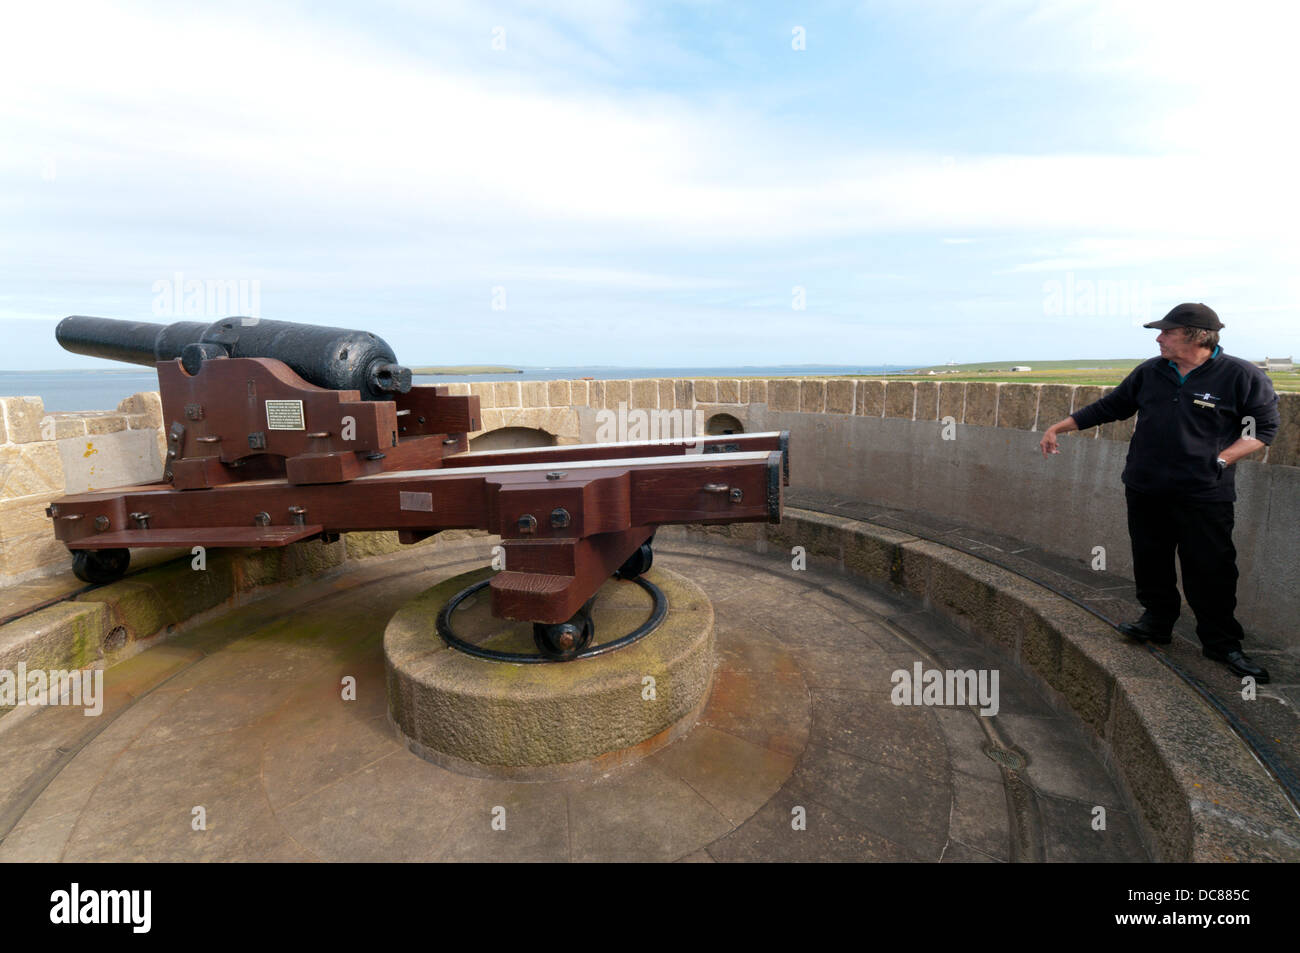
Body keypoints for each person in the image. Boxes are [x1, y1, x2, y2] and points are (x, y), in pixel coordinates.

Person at [1039, 303, 1280, 683]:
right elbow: (1112, 406)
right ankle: (1157, 622)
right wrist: (1058, 427)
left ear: (1197, 336)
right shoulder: (1151, 371)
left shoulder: (1241, 376)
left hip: (1203, 494)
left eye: (1167, 332)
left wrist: (1220, 460)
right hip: (1146, 487)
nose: (1159, 338)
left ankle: (1222, 644)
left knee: (1210, 569)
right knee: (1151, 559)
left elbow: (1261, 430)